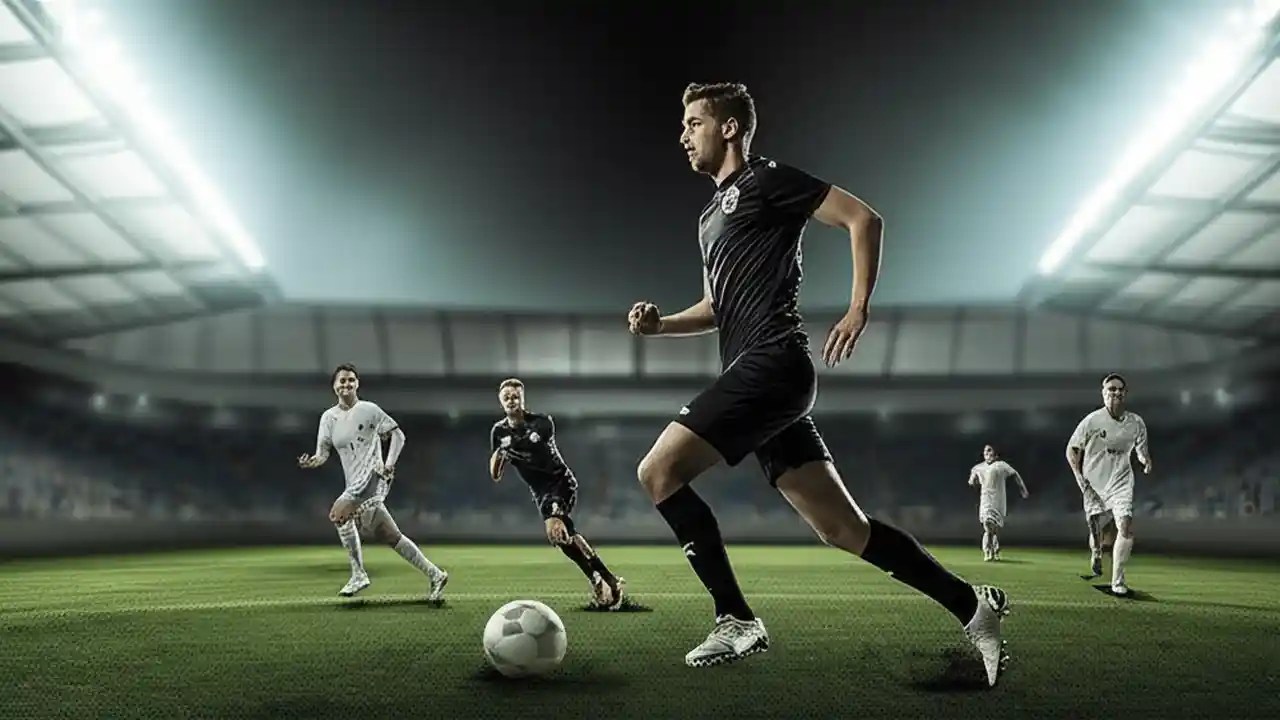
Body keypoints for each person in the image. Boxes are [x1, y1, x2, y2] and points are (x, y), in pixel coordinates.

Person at [626, 81, 1010, 685]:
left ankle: (735, 617)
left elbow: (863, 218)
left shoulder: (768, 180)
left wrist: (859, 306)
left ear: (729, 128)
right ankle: (974, 607)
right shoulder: (707, 219)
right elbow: (716, 306)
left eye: (694, 122)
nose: (684, 134)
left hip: (774, 364)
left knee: (657, 471)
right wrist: (660, 327)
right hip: (761, 378)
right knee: (843, 530)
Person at [298, 363, 448, 600]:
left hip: (373, 477)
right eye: (342, 381)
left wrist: (389, 465)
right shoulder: (328, 418)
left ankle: (358, 574)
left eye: (351, 380)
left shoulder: (369, 410)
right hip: (353, 482)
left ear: (357, 384)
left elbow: (398, 435)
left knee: (338, 514)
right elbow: (323, 453)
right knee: (389, 534)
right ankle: (436, 574)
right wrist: (312, 462)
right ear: (334, 386)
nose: (346, 384)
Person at [489, 378, 626, 609]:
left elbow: (531, 444)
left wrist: (511, 443)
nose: (511, 400)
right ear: (501, 402)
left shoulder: (542, 423)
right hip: (540, 493)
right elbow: (495, 473)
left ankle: (599, 582)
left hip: (560, 483)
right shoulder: (498, 432)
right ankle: (608, 580)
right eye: (507, 397)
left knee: (556, 529)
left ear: (522, 399)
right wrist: (500, 453)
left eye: (515, 396)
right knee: (565, 538)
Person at [1066, 373, 1152, 595]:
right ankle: (1096, 553)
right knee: (1097, 534)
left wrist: (1145, 461)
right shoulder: (1092, 421)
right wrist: (1080, 478)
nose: (1116, 392)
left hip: (1121, 481)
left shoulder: (1136, 423)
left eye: (1119, 389)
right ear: (1103, 394)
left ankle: (1118, 581)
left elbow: (1142, 451)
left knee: (1125, 526)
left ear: (1125, 394)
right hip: (1093, 483)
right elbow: (1072, 449)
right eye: (1111, 389)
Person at [967, 444, 1029, 561]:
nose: (987, 453)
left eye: (990, 451)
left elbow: (1015, 474)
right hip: (985, 501)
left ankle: (994, 550)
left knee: (994, 529)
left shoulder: (1001, 466)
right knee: (987, 524)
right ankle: (987, 551)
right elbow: (971, 482)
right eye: (985, 451)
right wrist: (973, 481)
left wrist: (1023, 489)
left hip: (999, 502)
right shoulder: (978, 468)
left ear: (995, 454)